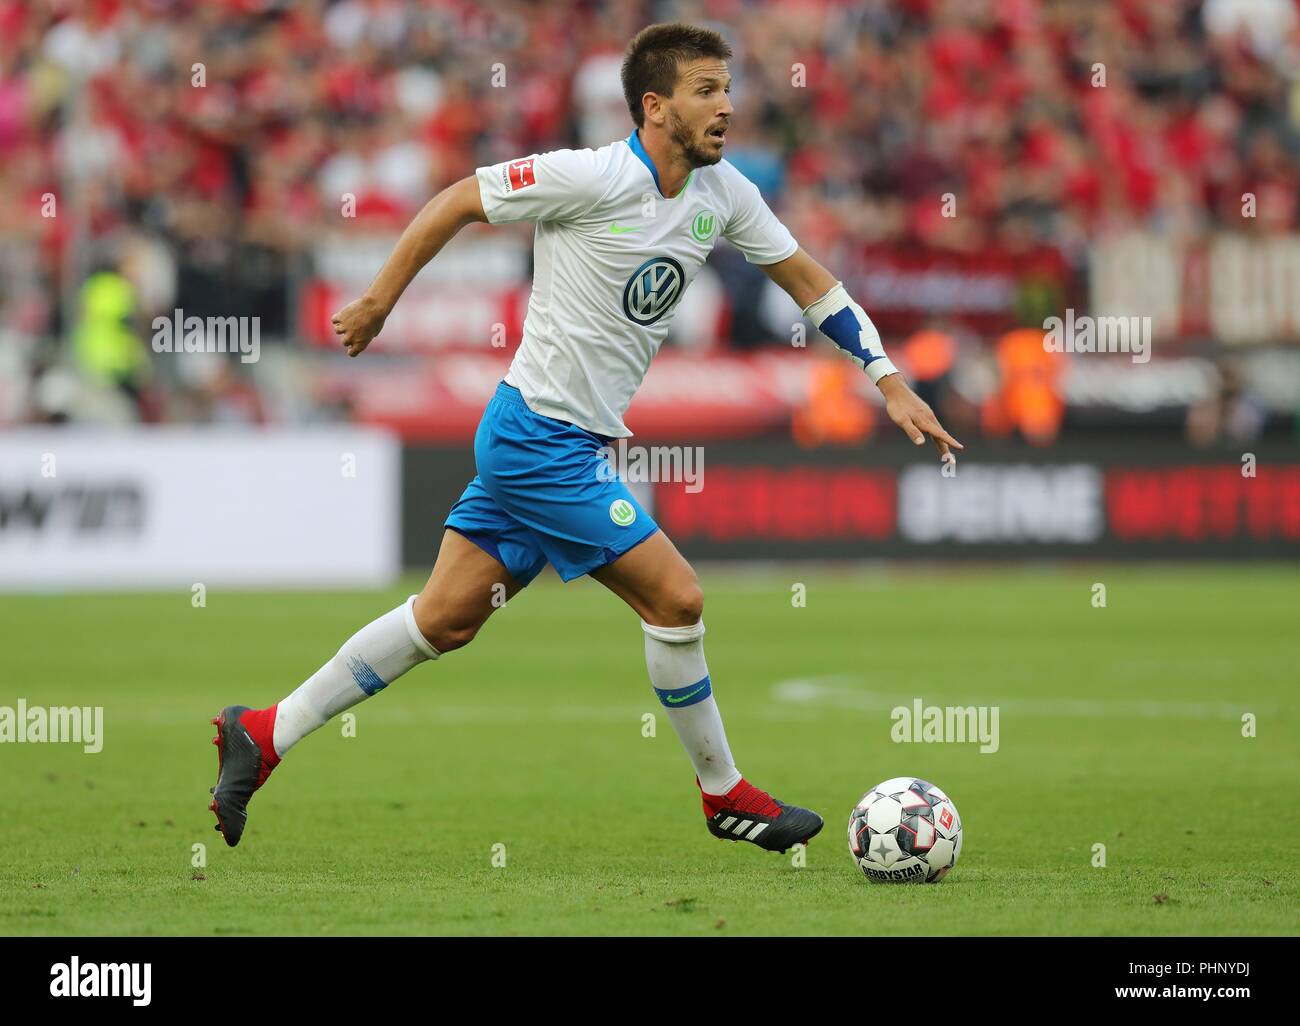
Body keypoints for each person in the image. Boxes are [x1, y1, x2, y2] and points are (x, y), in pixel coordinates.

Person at [208, 22, 962, 855]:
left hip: (560, 443)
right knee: (676, 600)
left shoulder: (724, 195)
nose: (727, 106)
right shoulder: (589, 177)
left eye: (727, 89)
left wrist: (888, 377)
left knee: (444, 620)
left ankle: (265, 730)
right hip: (538, 439)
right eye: (707, 91)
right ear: (655, 106)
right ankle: (724, 796)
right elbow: (460, 198)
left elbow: (813, 283)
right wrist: (381, 300)